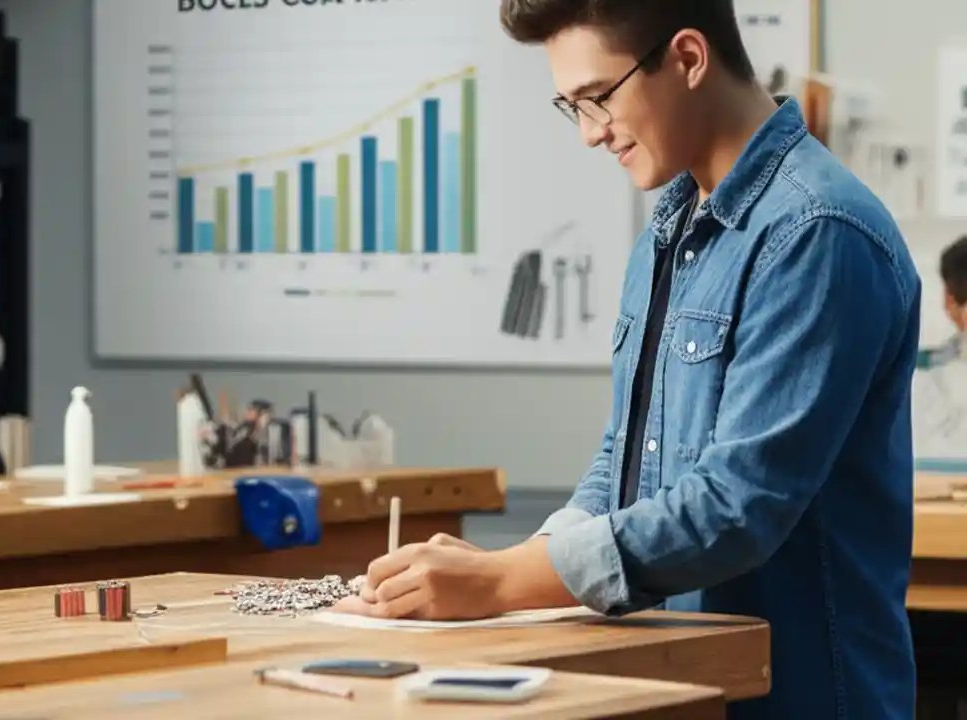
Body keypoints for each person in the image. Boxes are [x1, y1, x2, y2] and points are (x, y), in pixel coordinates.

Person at [333, 1, 921, 717]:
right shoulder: (673, 222)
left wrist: (500, 581)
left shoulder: (817, 232)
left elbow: (736, 508)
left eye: (597, 98)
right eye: (570, 106)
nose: (588, 133)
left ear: (688, 58)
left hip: (801, 693)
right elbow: (628, 456)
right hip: (681, 678)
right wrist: (507, 563)